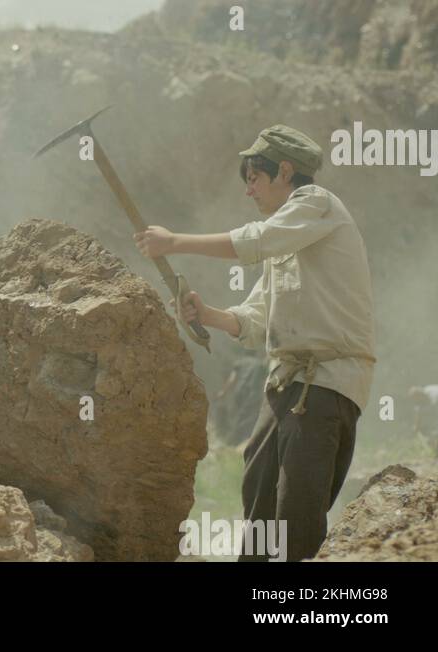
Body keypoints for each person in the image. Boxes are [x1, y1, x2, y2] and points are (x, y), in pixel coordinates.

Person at [134, 125, 375, 561]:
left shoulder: (315, 205)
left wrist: (175, 242)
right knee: (259, 490)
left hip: (325, 384)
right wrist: (207, 314)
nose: (249, 191)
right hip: (285, 383)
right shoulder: (289, 239)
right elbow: (257, 317)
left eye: (254, 178)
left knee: (294, 508)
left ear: (285, 171)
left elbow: (257, 241)